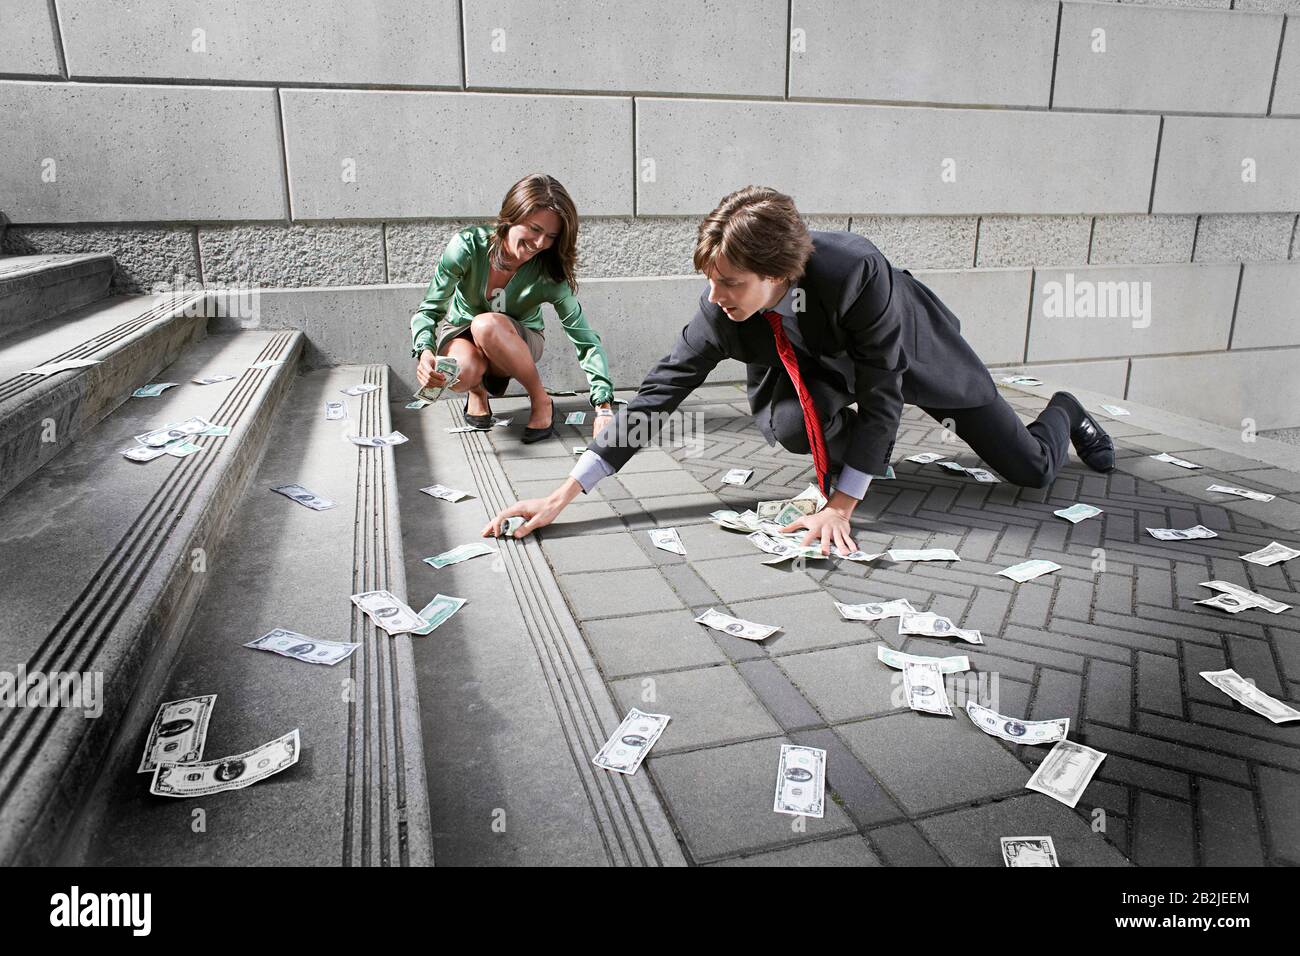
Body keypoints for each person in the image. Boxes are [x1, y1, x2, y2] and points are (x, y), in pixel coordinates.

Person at [483, 185, 1115, 551]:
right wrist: (567, 491)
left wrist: (841, 506)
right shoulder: (721, 310)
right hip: (814, 364)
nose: (713, 297)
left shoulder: (856, 273)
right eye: (709, 280)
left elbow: (886, 389)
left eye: (729, 283)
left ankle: (1065, 411)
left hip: (904, 353)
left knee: (1028, 471)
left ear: (779, 276)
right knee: (789, 424)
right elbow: (657, 396)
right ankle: (858, 456)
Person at [411, 173, 616, 442]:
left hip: (520, 339)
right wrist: (424, 352)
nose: (541, 243)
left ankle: (540, 399)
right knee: (459, 373)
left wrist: (603, 405)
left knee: (486, 324)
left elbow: (585, 340)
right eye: (534, 229)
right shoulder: (467, 247)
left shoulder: (548, 274)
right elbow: (430, 308)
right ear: (511, 217)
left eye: (551, 236)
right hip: (462, 331)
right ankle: (477, 391)